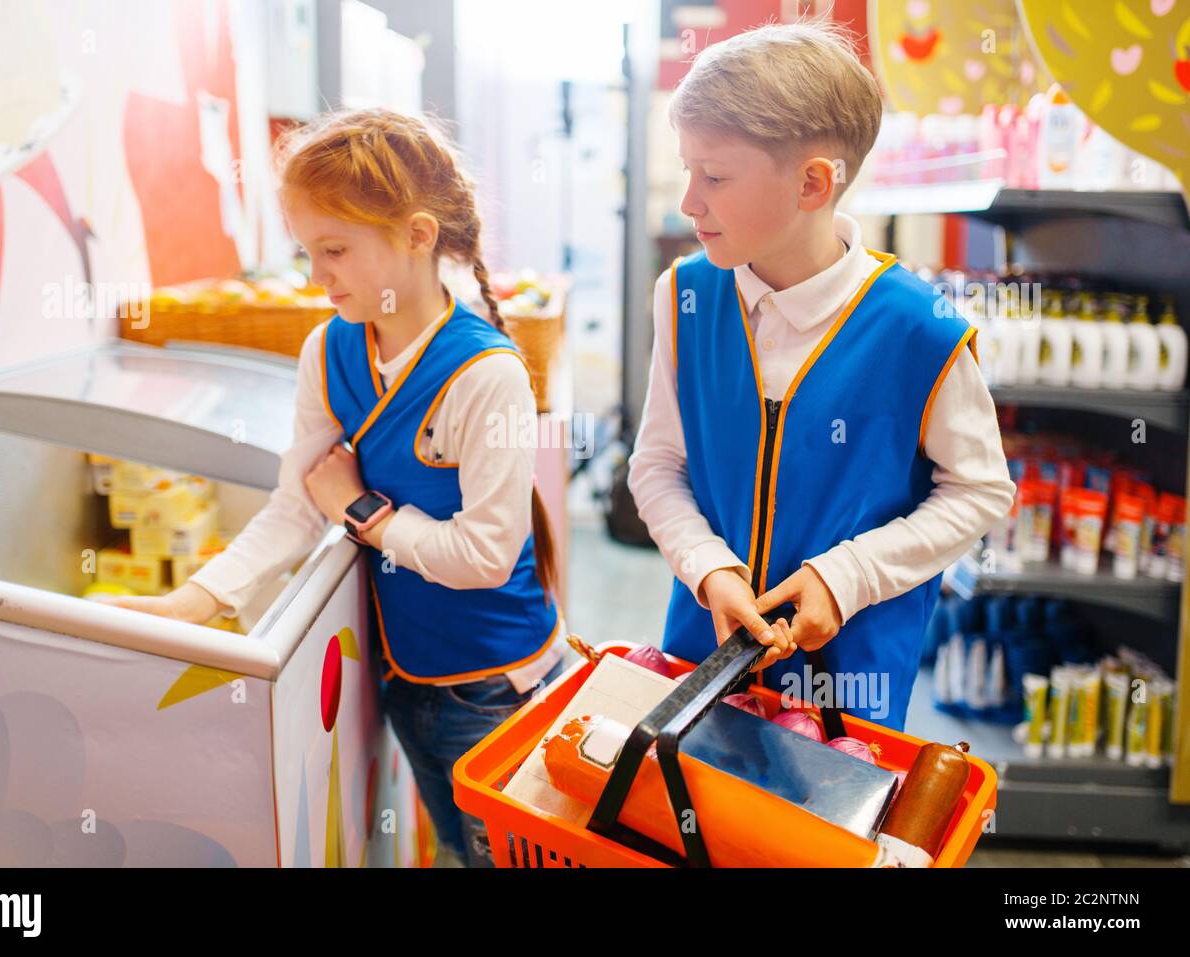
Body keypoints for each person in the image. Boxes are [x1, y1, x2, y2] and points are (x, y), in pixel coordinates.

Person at [104, 108, 566, 866]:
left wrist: (363, 513)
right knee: (457, 846)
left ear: (419, 236)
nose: (315, 277)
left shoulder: (487, 376)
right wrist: (197, 600)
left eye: (335, 250)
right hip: (405, 674)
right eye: (306, 251)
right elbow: (298, 500)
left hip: (493, 688)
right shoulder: (329, 349)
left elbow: (484, 555)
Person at [628, 21, 1016, 731]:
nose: (690, 201)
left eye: (713, 176)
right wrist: (709, 568)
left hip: (848, 690)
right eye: (689, 170)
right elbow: (657, 465)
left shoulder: (918, 329)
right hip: (703, 663)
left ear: (812, 183)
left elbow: (981, 488)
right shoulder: (684, 297)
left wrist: (848, 576)